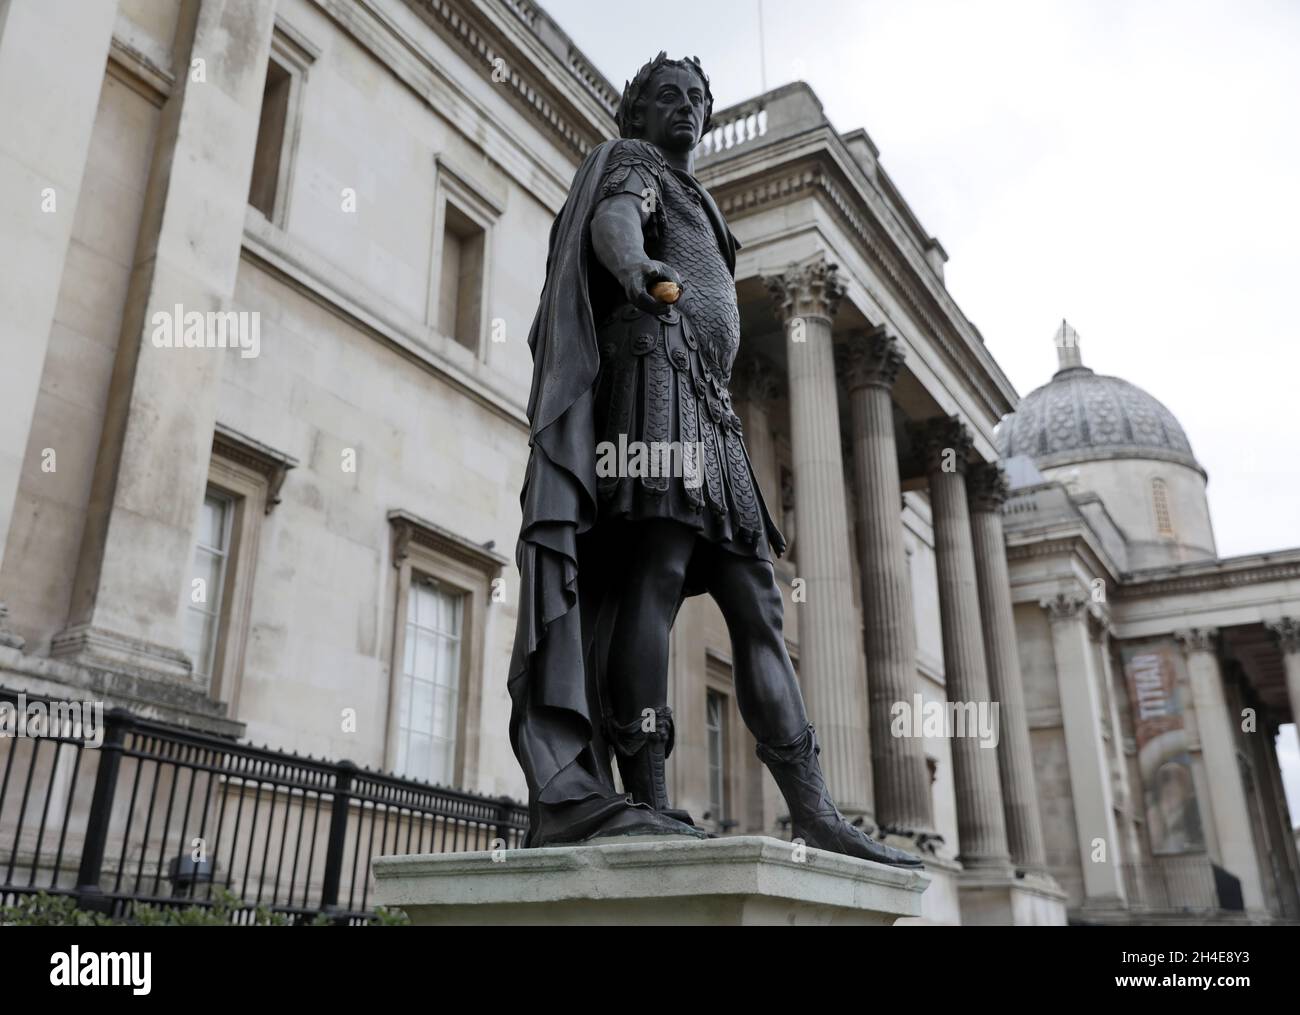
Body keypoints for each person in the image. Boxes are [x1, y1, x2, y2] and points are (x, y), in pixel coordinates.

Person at [508, 51, 921, 868]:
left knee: (757, 598)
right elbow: (614, 221)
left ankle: (814, 810)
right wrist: (634, 266)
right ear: (638, 111)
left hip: (713, 406)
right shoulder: (632, 163)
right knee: (653, 576)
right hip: (654, 375)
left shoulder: (701, 196)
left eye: (697, 97)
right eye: (669, 97)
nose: (688, 109)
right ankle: (651, 798)